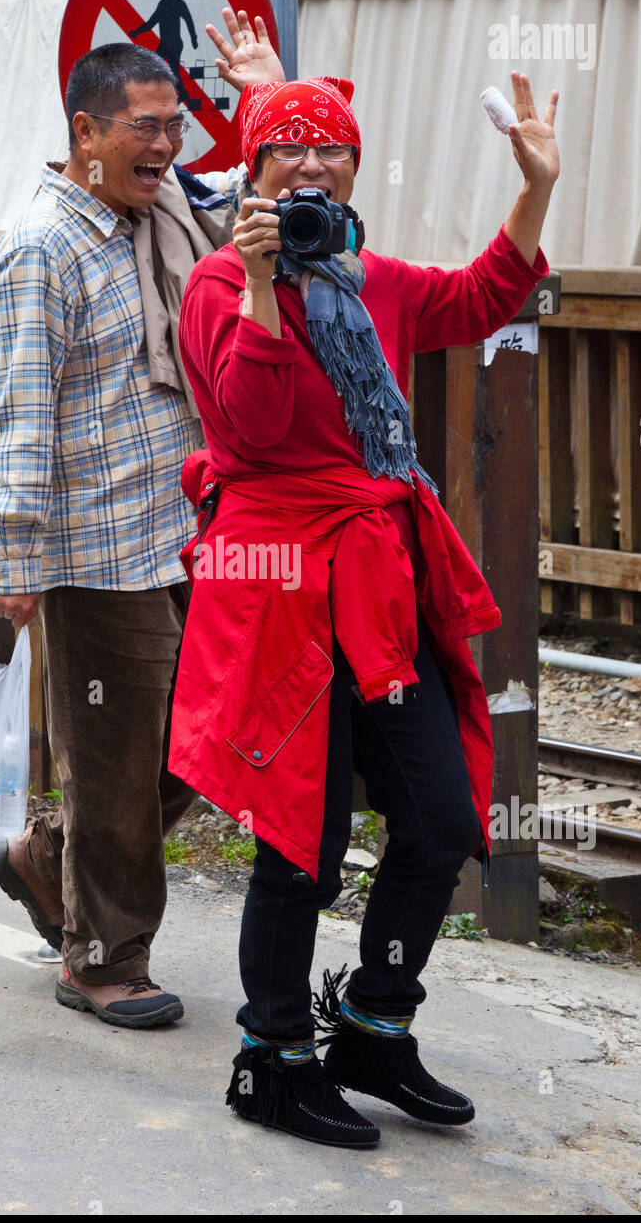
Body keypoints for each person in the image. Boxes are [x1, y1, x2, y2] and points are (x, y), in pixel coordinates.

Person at [172, 72, 558, 1143]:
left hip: (372, 586)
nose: (307, 166)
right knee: (301, 840)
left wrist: (532, 188)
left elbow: (483, 296)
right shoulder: (212, 286)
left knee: (437, 819)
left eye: (327, 149)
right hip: (274, 589)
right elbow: (244, 435)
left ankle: (372, 1027)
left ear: (351, 166)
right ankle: (273, 1060)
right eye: (283, 151)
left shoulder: (368, 280)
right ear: (249, 173)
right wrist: (258, 289)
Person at [0, 15, 283, 1030]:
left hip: (185, 531)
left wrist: (267, 97)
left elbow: (265, 209)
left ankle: (47, 860)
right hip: (93, 551)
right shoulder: (40, 248)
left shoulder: (163, 216)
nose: (164, 146)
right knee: (112, 764)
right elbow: (18, 416)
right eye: (144, 127)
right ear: (85, 131)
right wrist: (10, 559)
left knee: (204, 740)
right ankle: (101, 960)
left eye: (174, 127)